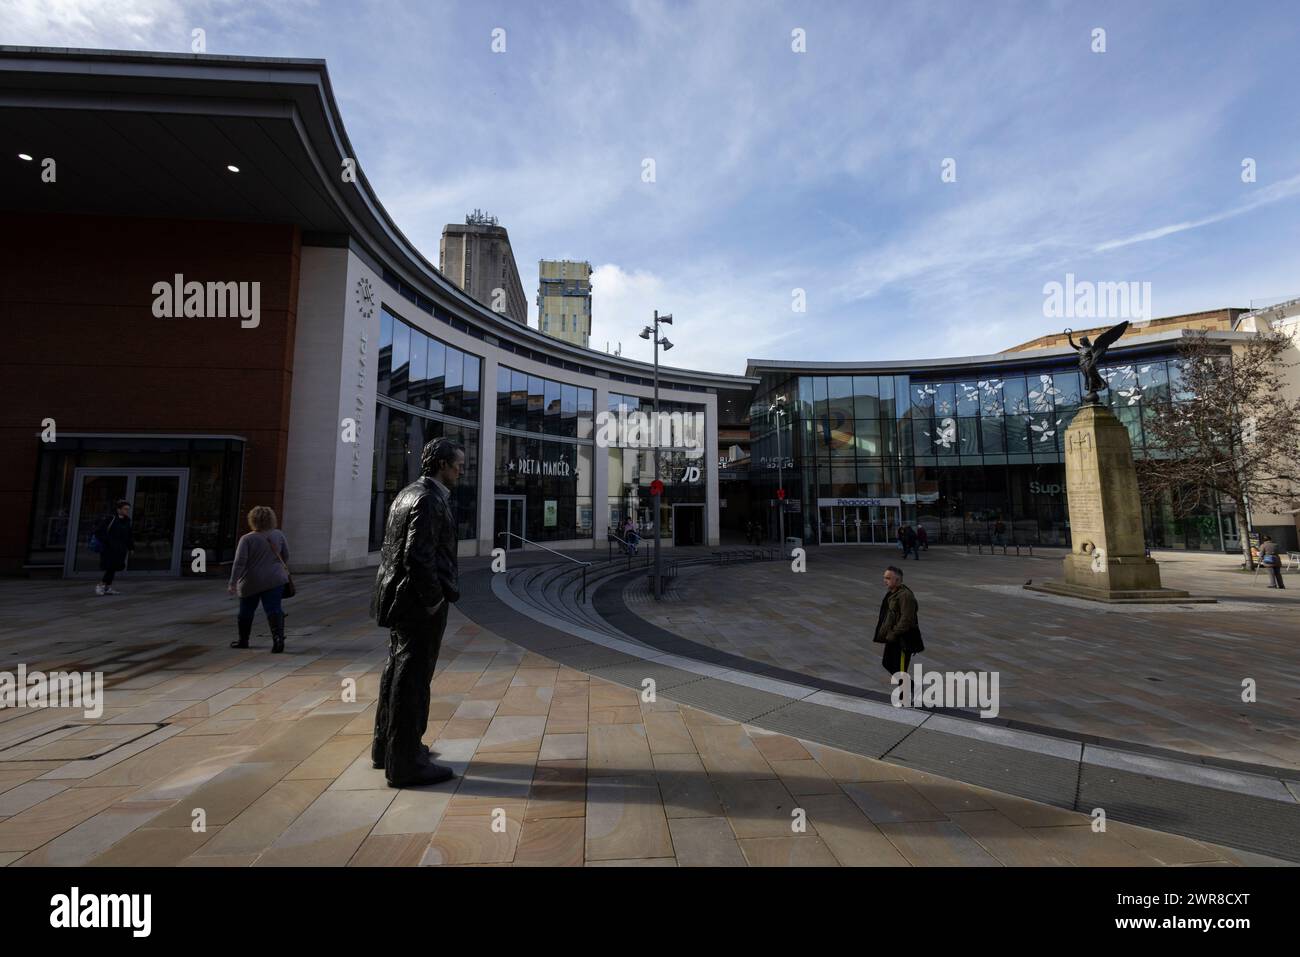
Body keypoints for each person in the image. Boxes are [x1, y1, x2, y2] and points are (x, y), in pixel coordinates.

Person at [370, 437, 464, 788]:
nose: (460, 471)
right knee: (412, 679)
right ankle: (406, 763)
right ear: (441, 464)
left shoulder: (408, 492)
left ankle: (388, 748)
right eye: (457, 465)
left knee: (396, 671)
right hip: (416, 604)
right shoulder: (428, 499)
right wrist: (433, 600)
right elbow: (417, 555)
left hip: (398, 600)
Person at [228, 506, 291, 653]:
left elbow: (239, 563)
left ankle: (243, 640)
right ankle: (278, 640)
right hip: (275, 579)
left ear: (252, 520)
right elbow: (286, 556)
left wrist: (232, 583)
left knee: (246, 611)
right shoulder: (278, 535)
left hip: (251, 581)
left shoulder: (247, 539)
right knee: (274, 609)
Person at [874, 565, 925, 678]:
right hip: (893, 638)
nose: (885, 581)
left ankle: (907, 692)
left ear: (897, 580)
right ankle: (908, 688)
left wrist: (893, 633)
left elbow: (906, 620)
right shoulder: (893, 593)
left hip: (902, 639)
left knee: (900, 670)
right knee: (887, 663)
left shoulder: (905, 596)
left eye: (888, 578)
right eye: (884, 578)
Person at [93, 499, 134, 595]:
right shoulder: (110, 519)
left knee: (114, 567)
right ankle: (101, 585)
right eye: (125, 509)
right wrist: (108, 542)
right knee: (110, 567)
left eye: (128, 509)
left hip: (120, 548)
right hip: (109, 548)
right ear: (118, 509)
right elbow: (99, 531)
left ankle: (107, 587)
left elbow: (129, 535)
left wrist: (131, 547)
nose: (127, 511)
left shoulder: (127, 521)